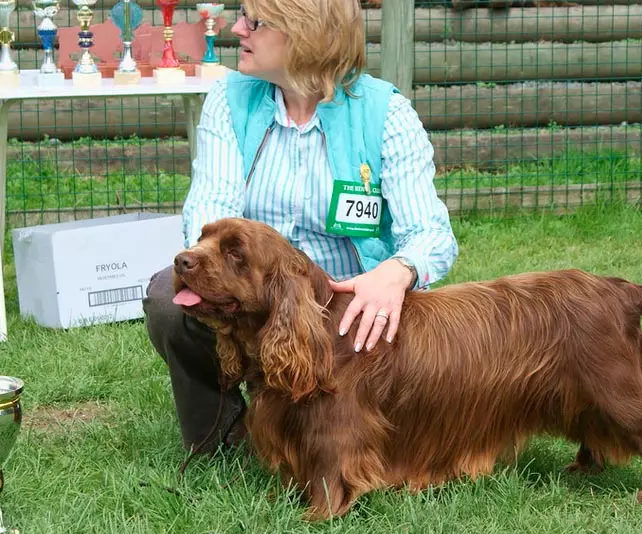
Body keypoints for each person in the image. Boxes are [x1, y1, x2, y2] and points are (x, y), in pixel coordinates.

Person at [143, 0, 458, 454]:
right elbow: (210, 206)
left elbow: (432, 234)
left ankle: (363, 437)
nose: (237, 29)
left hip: (347, 316)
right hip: (259, 300)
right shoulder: (228, 100)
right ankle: (225, 434)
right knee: (170, 301)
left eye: (254, 21)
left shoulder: (386, 114)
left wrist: (397, 271)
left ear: (303, 32)